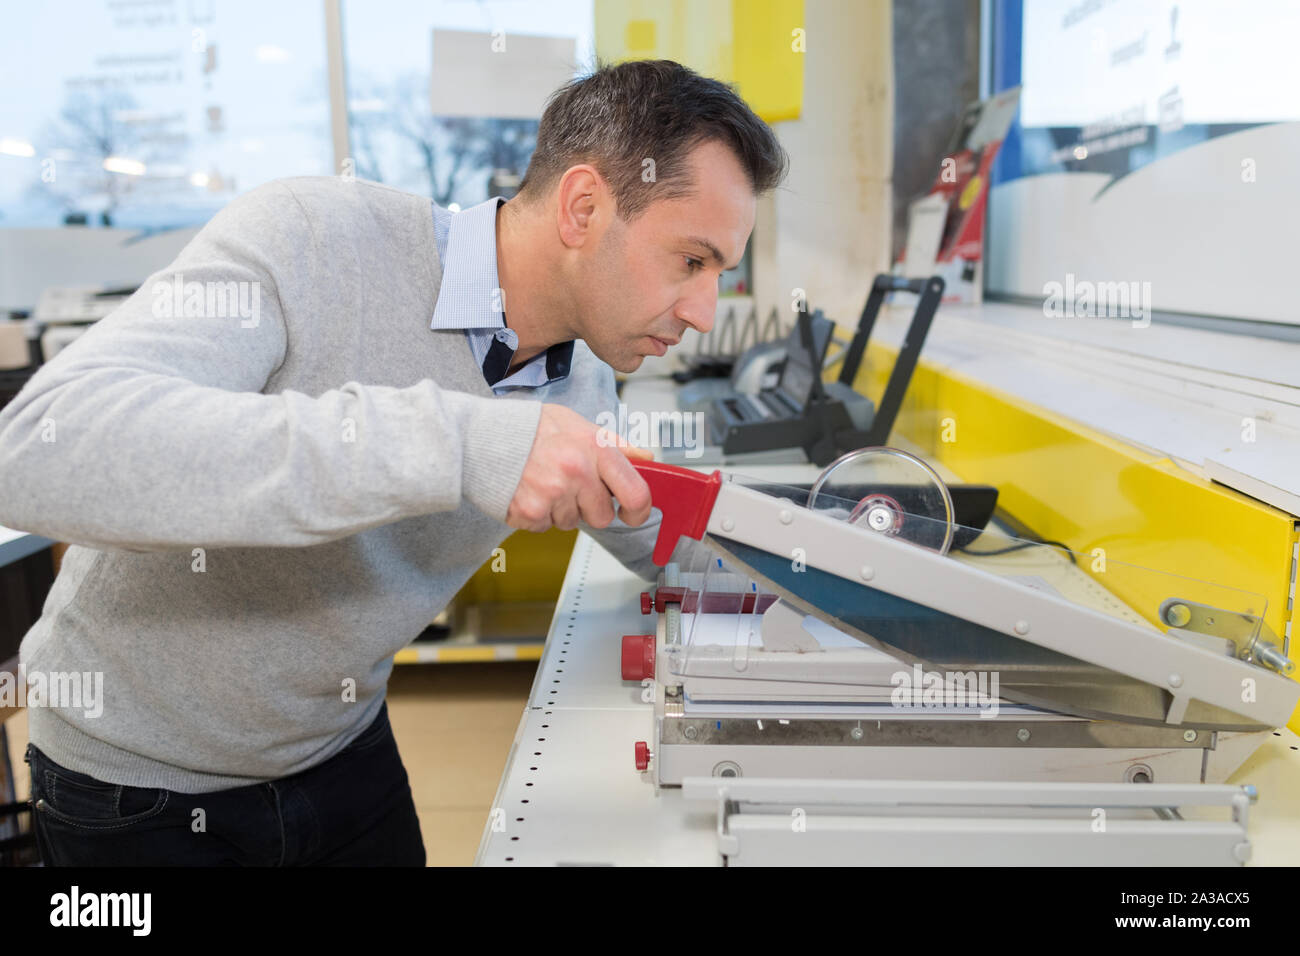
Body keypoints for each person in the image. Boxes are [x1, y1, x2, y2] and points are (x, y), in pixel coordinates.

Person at [0, 59, 787, 865]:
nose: (703, 311)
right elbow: (36, 448)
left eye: (720, 273)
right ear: (584, 207)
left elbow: (666, 537)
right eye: (691, 261)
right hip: (134, 791)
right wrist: (461, 441)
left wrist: (843, 567)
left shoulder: (579, 383)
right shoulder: (312, 234)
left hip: (340, 748)